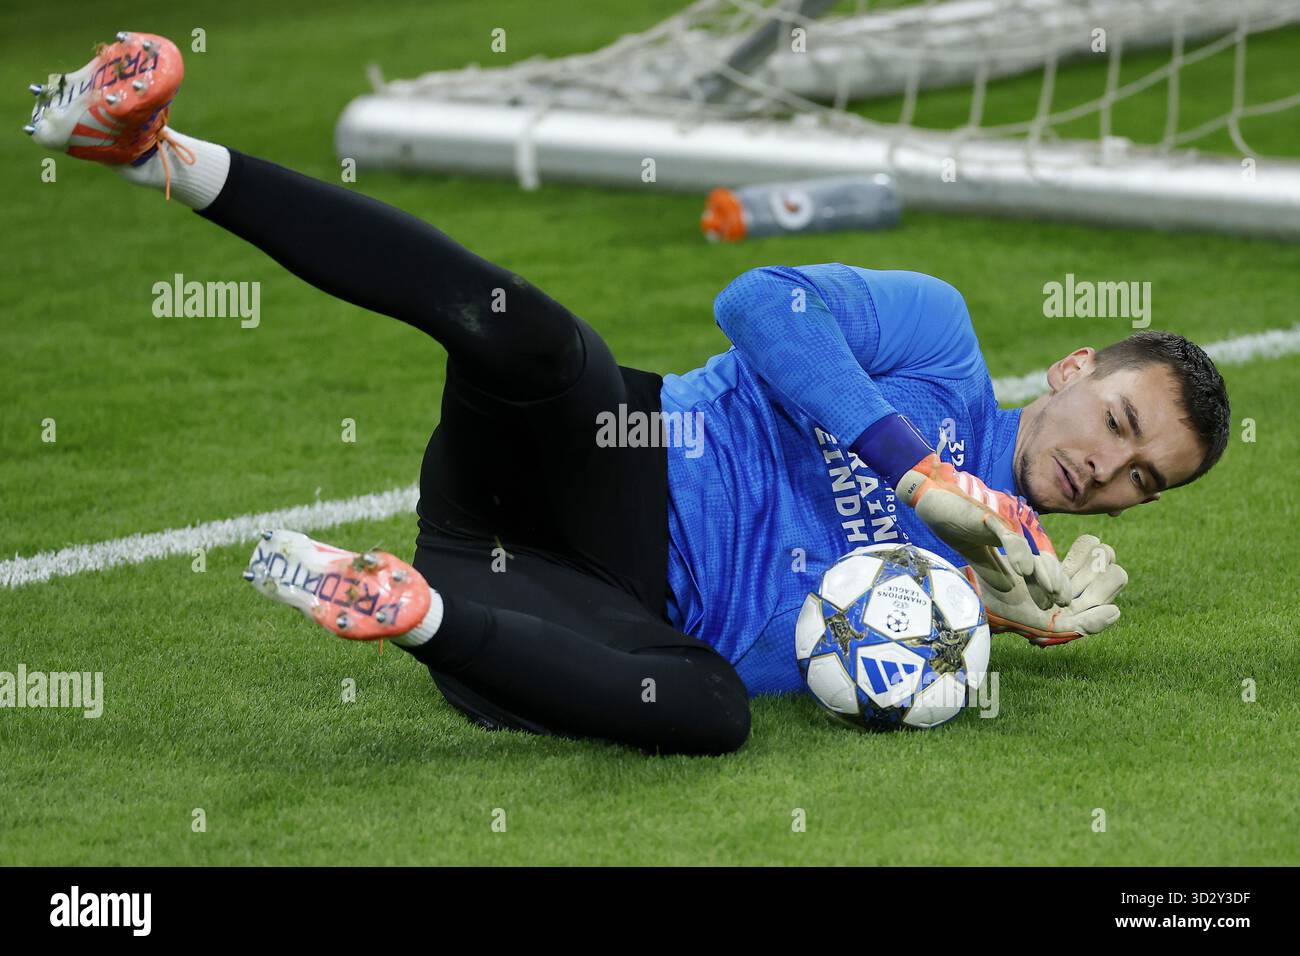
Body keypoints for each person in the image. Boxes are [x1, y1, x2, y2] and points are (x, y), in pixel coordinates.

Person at [26, 33, 1229, 755]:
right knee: (539, 339)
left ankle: (402, 609)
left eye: (1142, 481)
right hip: (608, 457)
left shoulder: (988, 586)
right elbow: (760, 303)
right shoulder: (939, 337)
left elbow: (783, 654)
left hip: (567, 613)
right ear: (1074, 369)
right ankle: (154, 154)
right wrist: (918, 469)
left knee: (712, 713)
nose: (1107, 472)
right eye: (1120, 424)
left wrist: (976, 617)